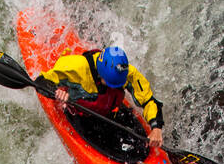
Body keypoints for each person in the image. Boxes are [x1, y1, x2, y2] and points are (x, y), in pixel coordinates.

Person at [33, 45, 164, 153]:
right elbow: (41, 82)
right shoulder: (75, 68)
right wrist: (55, 92)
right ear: (100, 72)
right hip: (79, 115)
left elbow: (148, 101)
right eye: (108, 82)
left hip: (108, 114)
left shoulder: (127, 73)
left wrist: (156, 127)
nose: (113, 86)